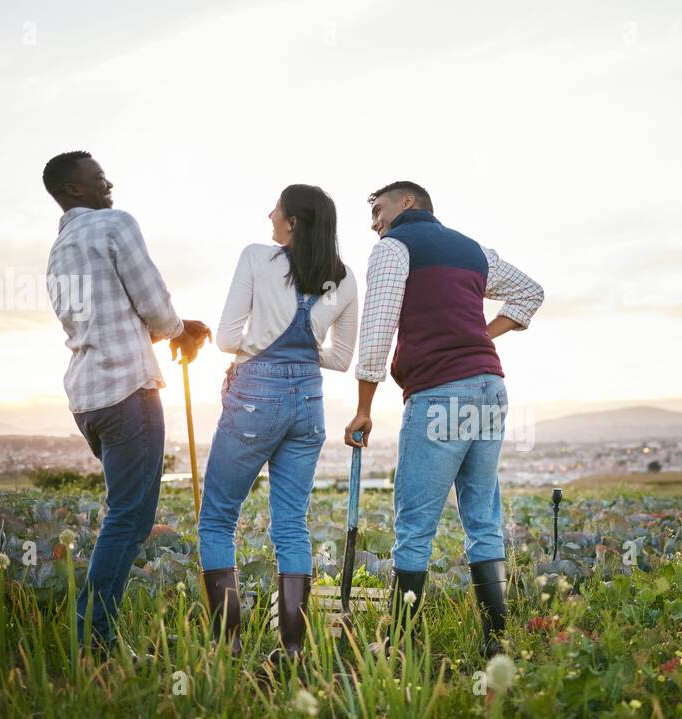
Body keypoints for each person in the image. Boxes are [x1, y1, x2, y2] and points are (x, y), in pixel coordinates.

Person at [344, 181, 543, 658]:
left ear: (408, 204)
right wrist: (481, 336)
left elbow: (376, 327)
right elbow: (529, 293)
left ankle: (401, 644)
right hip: (491, 390)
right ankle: (496, 644)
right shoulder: (473, 251)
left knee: (414, 525)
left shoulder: (394, 248)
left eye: (378, 210)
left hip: (440, 396)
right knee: (482, 518)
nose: (374, 223)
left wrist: (365, 406)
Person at [42, 150, 211, 650]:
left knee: (123, 512)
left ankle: (93, 631)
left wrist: (176, 330)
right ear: (74, 189)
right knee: (131, 517)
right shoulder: (114, 224)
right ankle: (93, 638)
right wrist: (183, 330)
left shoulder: (59, 250)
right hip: (127, 391)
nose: (107, 183)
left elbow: (109, 322)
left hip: (88, 400)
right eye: (97, 178)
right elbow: (154, 304)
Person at [198, 184, 358, 660]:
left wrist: (260, 350)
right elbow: (341, 358)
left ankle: (227, 646)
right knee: (291, 524)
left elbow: (227, 338)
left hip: (256, 397)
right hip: (309, 401)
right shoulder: (344, 278)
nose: (270, 215)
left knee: (218, 518)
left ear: (293, 223)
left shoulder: (256, 258)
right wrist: (301, 352)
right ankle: (291, 650)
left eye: (277, 210)